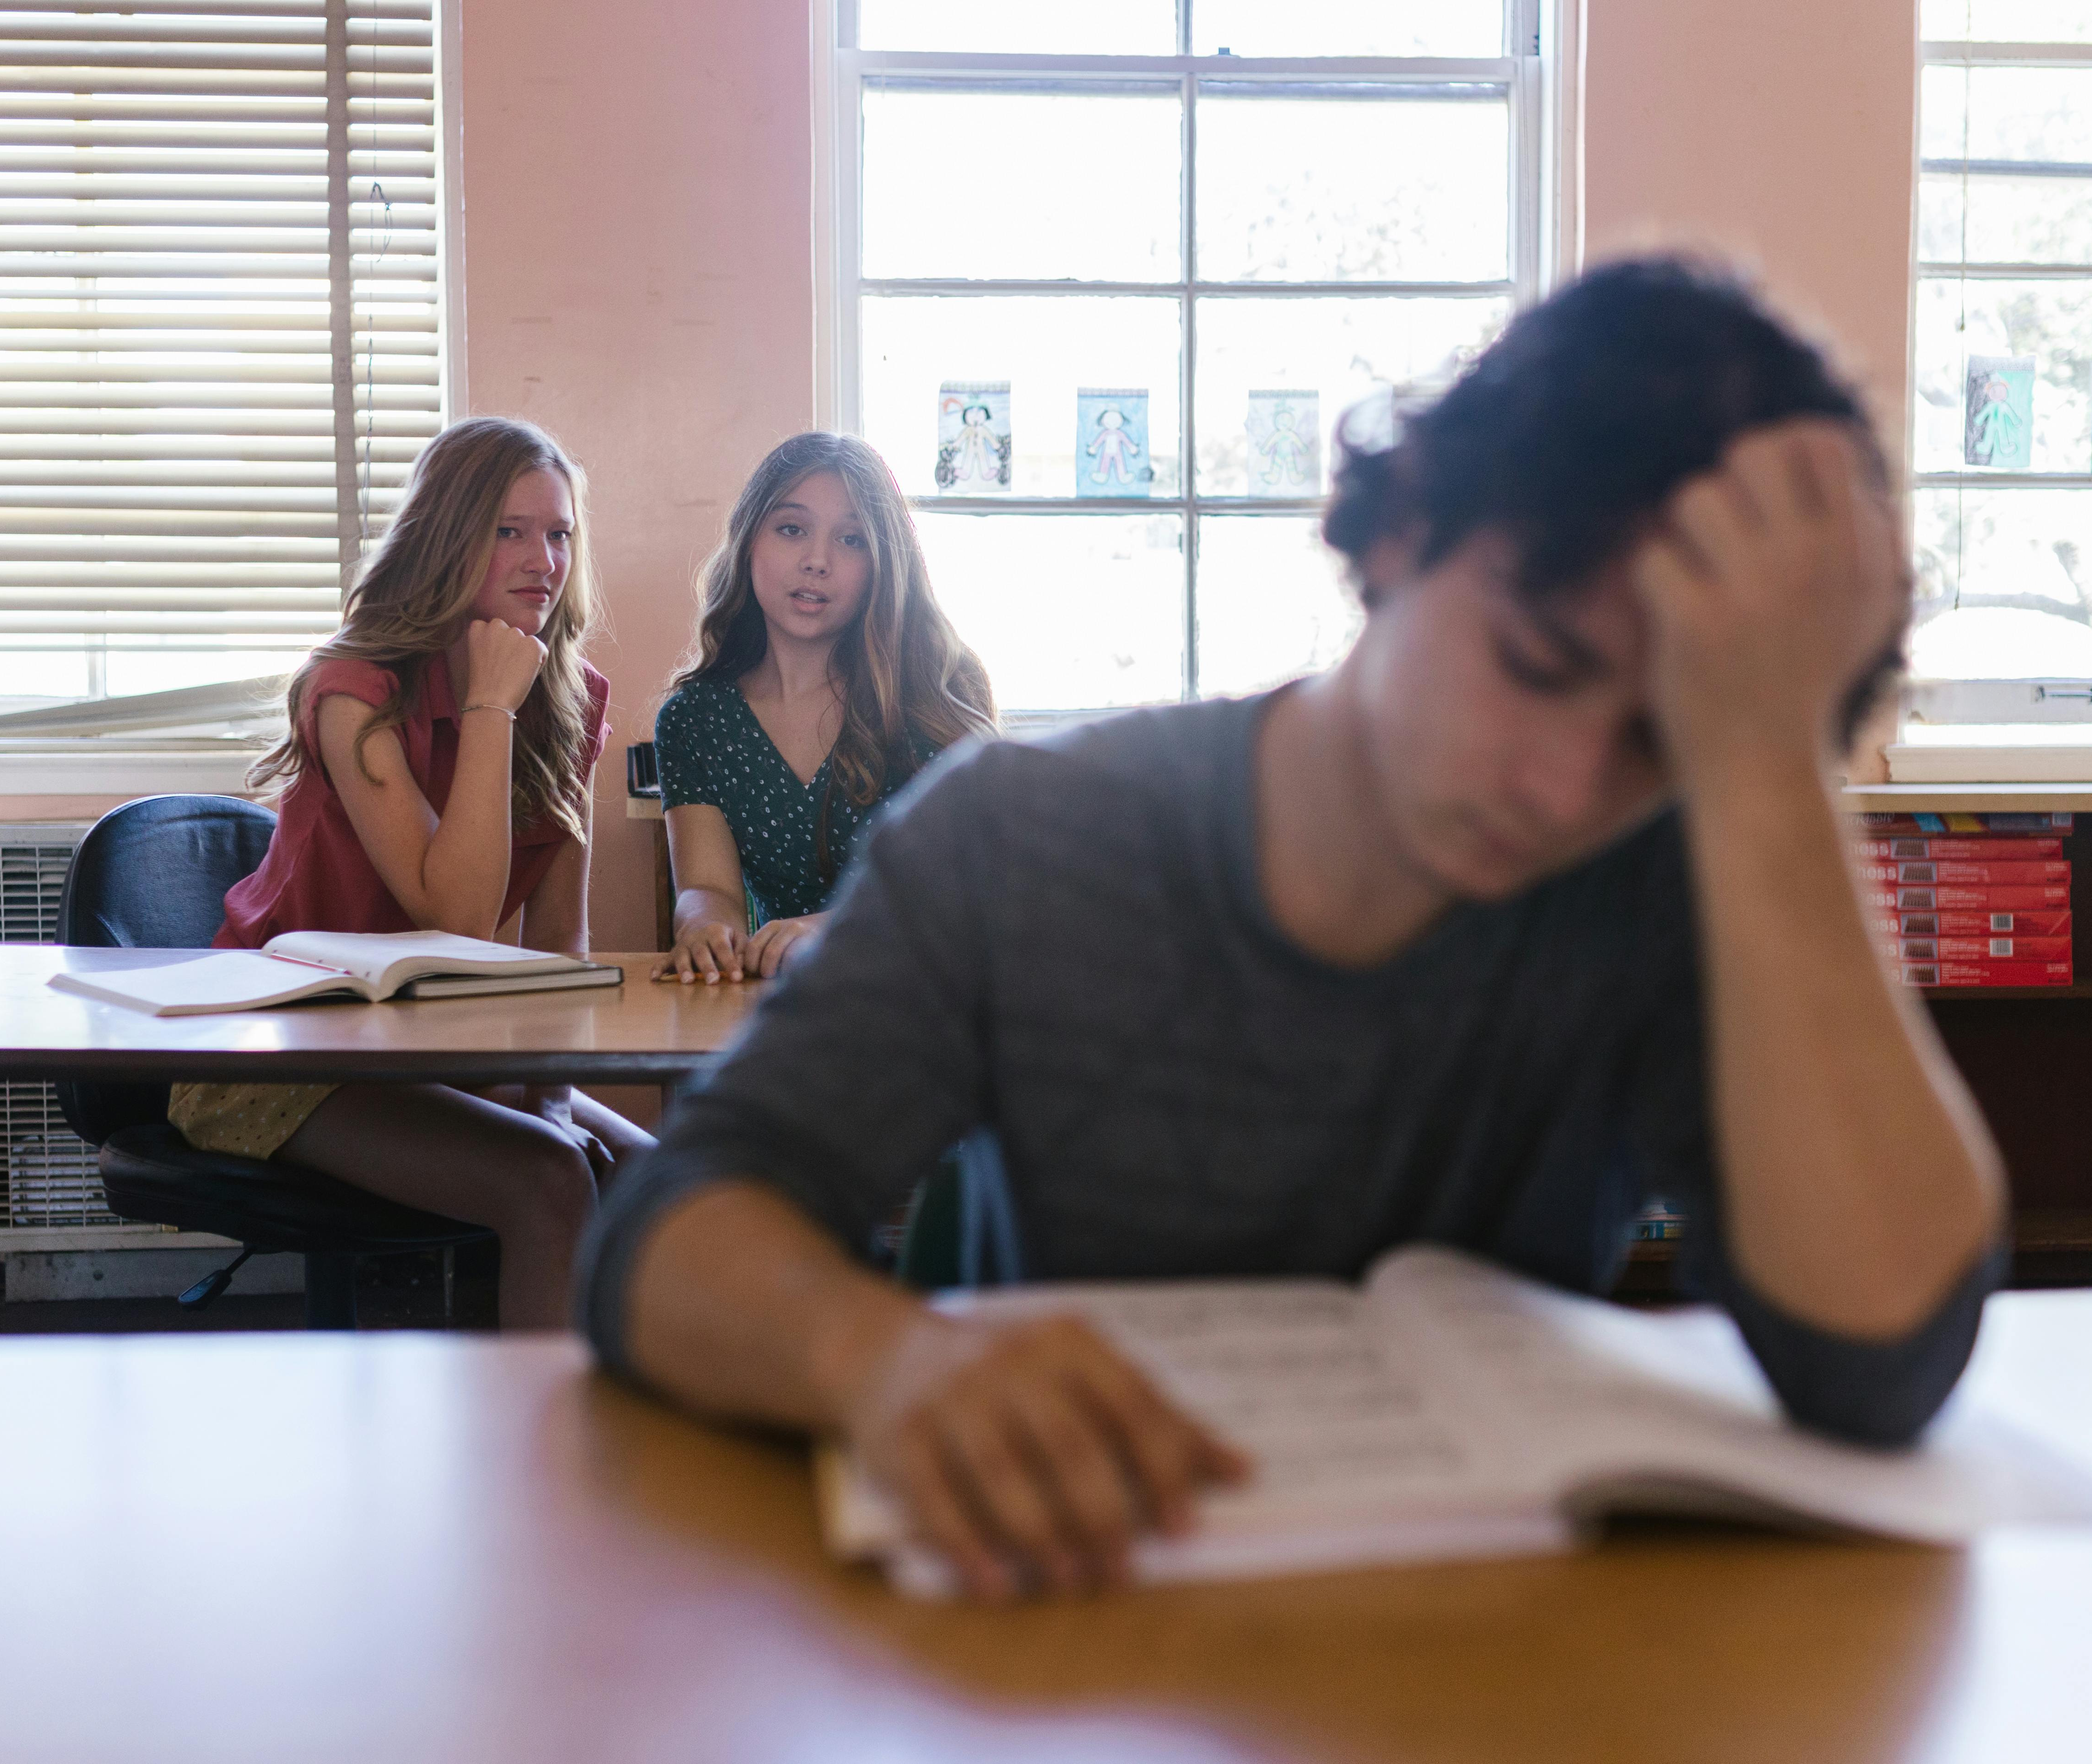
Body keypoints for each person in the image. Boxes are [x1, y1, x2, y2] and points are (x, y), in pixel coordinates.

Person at [578, 259, 2010, 1599]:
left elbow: (1880, 1361)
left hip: (1486, 1651)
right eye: (1535, 664)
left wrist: (1760, 761)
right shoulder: (1025, 836)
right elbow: (665, 1234)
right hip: (1086, 1630)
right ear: (1396, 538)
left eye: (1654, 734)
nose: (1567, 785)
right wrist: (876, 1360)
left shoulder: (1667, 885)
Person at [169, 415, 653, 1329]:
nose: (542, 560)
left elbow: (559, 939)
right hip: (272, 1056)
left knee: (659, 1181)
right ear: (446, 537)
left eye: (558, 533)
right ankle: (535, 1464)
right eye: (508, 531)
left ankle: (627, 1442)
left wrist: (549, 1092)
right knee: (548, 1179)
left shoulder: (570, 694)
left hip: (434, 1046)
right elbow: (460, 920)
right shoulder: (352, 689)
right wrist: (487, 706)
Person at [653, 431, 996, 981]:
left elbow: (974, 883)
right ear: (749, 542)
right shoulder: (695, 718)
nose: (817, 561)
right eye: (791, 530)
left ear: (884, 562)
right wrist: (703, 928)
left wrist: (838, 926)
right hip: (785, 1011)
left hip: (937, 1000)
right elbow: (707, 887)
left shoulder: (937, 690)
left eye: (852, 540)